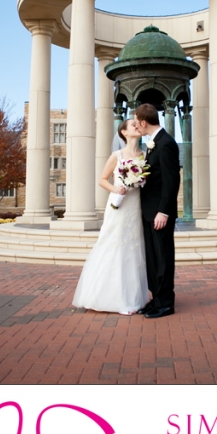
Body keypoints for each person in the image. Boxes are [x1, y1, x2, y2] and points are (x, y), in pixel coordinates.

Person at [71, 120, 149, 315]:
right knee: (113, 245)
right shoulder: (116, 156)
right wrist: (117, 188)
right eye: (132, 124)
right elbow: (102, 180)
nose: (137, 126)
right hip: (119, 206)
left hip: (136, 206)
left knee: (134, 248)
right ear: (123, 132)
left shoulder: (144, 156)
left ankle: (132, 298)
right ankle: (111, 298)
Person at [134, 103, 180, 318]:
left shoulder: (167, 143)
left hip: (159, 214)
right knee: (152, 259)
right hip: (148, 211)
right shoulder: (154, 144)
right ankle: (156, 300)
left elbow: (172, 182)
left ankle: (166, 304)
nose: (136, 126)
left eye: (136, 122)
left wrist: (164, 212)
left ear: (144, 122)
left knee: (163, 258)